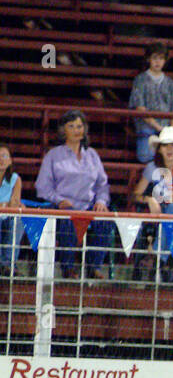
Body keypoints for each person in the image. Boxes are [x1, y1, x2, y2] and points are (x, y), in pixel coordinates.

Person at [34, 110, 113, 279]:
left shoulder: (92, 155)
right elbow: (42, 187)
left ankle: (94, 267)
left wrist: (101, 201)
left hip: (89, 206)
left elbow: (102, 184)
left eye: (79, 126)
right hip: (63, 205)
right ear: (63, 130)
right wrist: (59, 200)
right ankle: (68, 268)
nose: (77, 130)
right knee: (66, 220)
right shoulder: (53, 155)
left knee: (105, 219)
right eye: (72, 126)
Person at [131, 126, 173, 282]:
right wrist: (149, 199)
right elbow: (136, 195)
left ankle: (158, 257)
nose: (169, 149)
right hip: (172, 219)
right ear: (159, 149)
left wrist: (169, 204)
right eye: (165, 145)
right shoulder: (152, 168)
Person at [128, 42, 173, 165]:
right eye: (155, 58)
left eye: (161, 58)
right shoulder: (140, 80)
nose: (158, 62)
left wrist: (171, 130)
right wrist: (158, 128)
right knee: (145, 155)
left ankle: (170, 182)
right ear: (148, 59)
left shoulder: (170, 83)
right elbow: (140, 109)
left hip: (166, 128)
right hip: (146, 128)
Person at [0, 145, 24, 265]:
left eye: (4, 156)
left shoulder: (15, 179)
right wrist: (5, 204)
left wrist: (5, 205)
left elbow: (14, 204)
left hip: (8, 216)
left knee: (17, 221)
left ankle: (7, 265)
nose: (1, 160)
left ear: (10, 161)